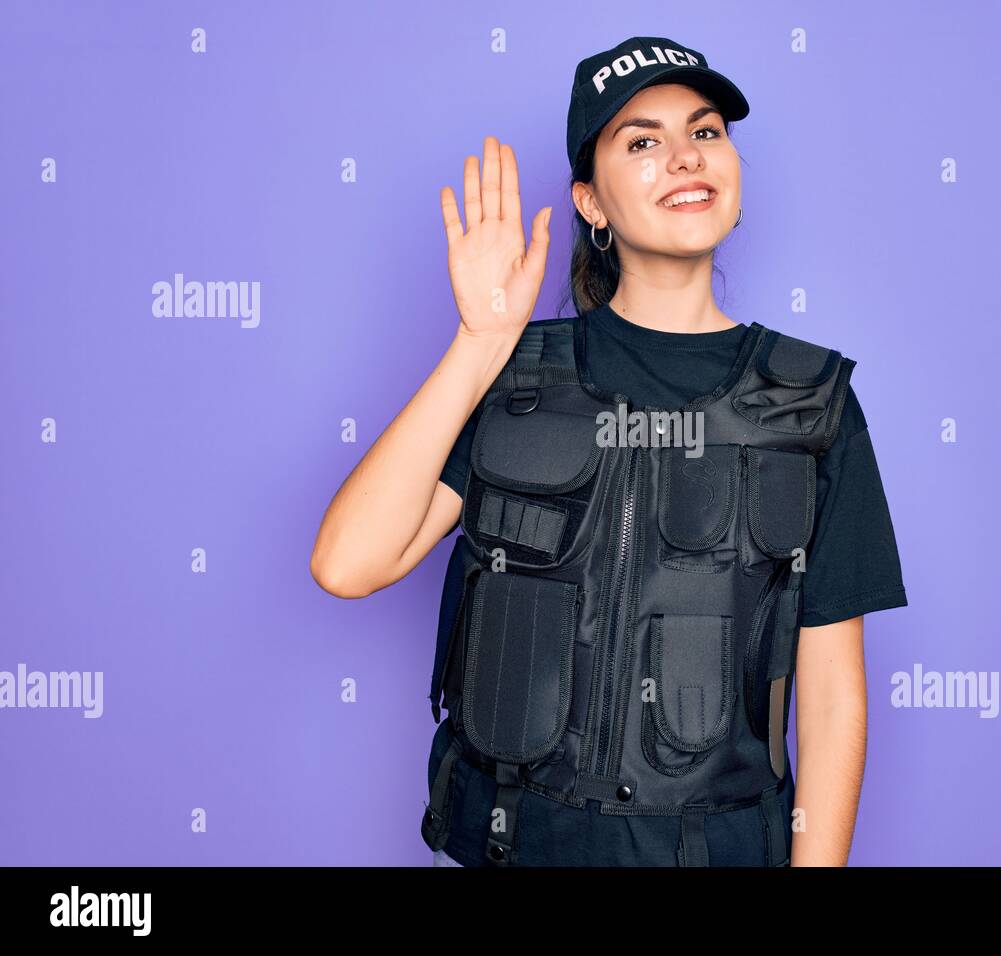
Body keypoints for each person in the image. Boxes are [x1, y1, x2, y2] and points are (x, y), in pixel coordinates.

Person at [311, 36, 907, 867]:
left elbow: (835, 695)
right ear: (591, 203)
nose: (684, 159)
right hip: (519, 844)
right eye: (642, 142)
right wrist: (478, 344)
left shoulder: (812, 404)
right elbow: (348, 563)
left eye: (705, 133)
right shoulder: (514, 376)